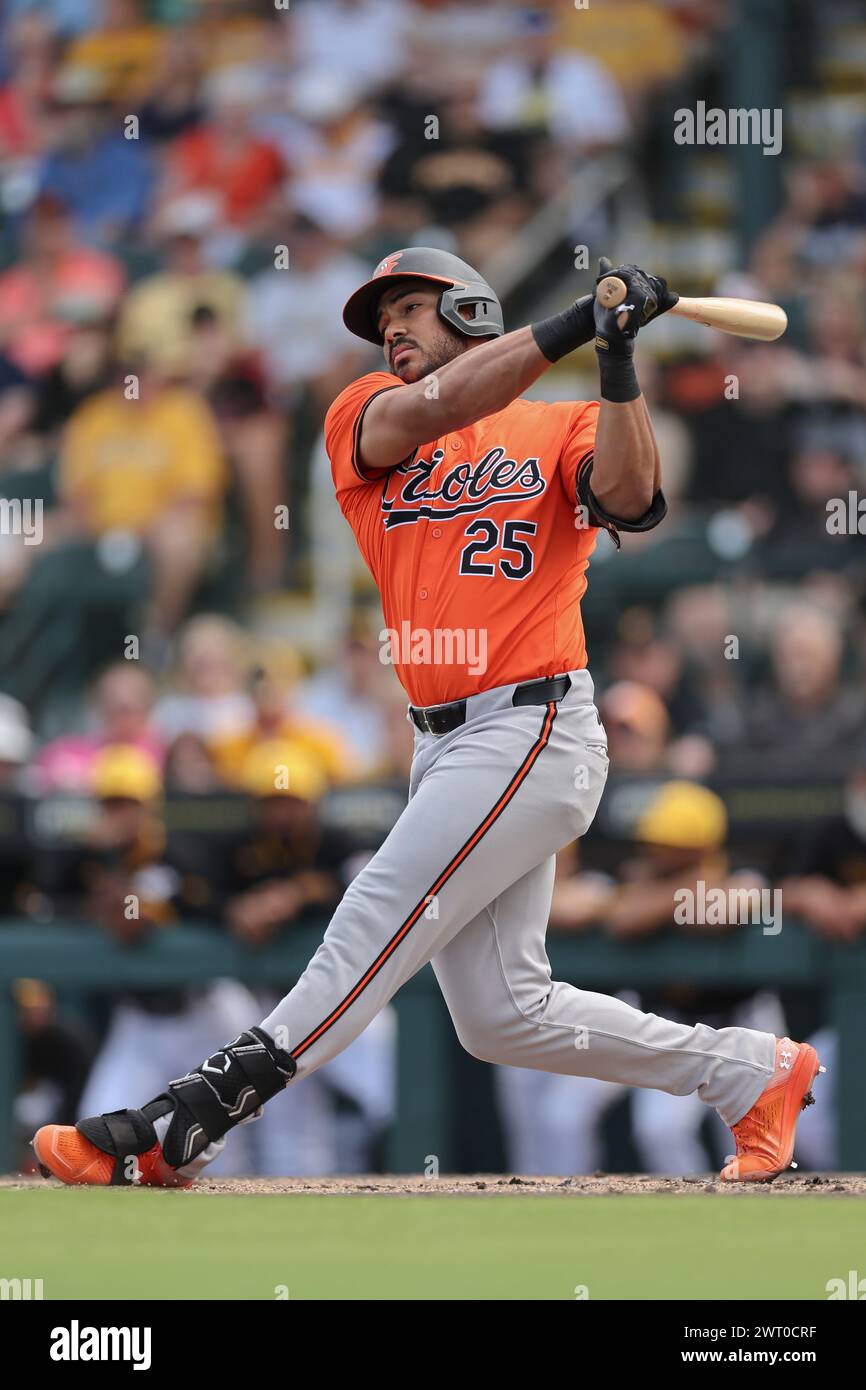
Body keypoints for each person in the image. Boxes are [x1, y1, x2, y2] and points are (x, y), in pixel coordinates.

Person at [33, 248, 822, 1188]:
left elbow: (631, 498)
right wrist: (579, 320)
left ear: (476, 311)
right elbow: (441, 406)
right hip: (440, 738)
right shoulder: (362, 415)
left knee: (372, 916)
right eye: (382, 317)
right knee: (503, 1016)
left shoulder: (558, 421)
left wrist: (615, 360)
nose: (392, 329)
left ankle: (185, 1122)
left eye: (411, 307)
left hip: (533, 724)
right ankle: (752, 1071)